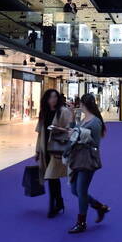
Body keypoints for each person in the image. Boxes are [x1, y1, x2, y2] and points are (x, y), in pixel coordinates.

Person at [67, 92, 109, 234]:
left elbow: (94, 143)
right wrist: (72, 119)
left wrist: (77, 137)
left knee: (81, 190)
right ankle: (99, 207)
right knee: (75, 190)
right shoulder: (85, 119)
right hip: (78, 157)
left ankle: (81, 222)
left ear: (83, 105)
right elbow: (74, 131)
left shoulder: (95, 121)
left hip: (88, 159)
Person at [35, 87, 74, 218]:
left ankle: (53, 205)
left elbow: (71, 130)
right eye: (51, 97)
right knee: (53, 178)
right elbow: (40, 133)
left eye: (55, 97)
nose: (53, 100)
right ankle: (59, 202)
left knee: (52, 176)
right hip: (45, 148)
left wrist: (58, 129)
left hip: (57, 149)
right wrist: (37, 151)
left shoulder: (63, 112)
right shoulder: (44, 113)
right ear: (46, 99)